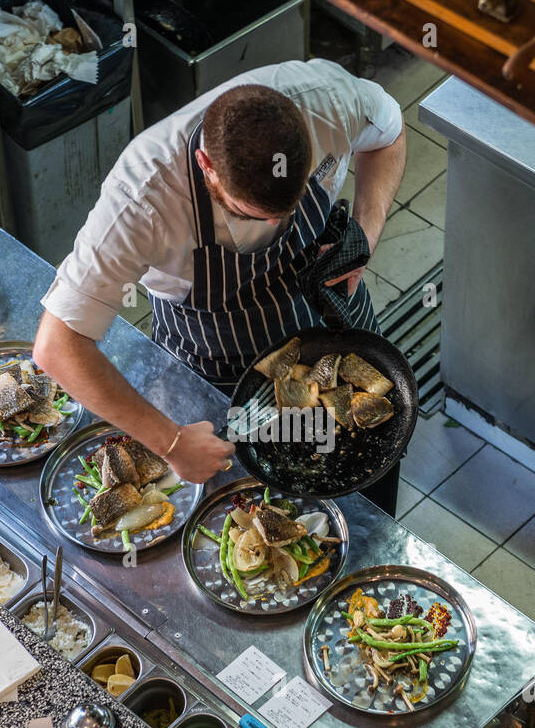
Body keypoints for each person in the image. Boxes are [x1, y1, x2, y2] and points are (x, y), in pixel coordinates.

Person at [33, 58, 406, 501]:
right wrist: (172, 442)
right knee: (267, 500)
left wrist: (363, 235)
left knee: (370, 460)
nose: (275, 224)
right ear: (206, 165)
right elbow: (58, 346)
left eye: (287, 209)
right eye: (253, 214)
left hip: (332, 308)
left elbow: (389, 137)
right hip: (223, 362)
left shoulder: (326, 100)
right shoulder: (140, 200)